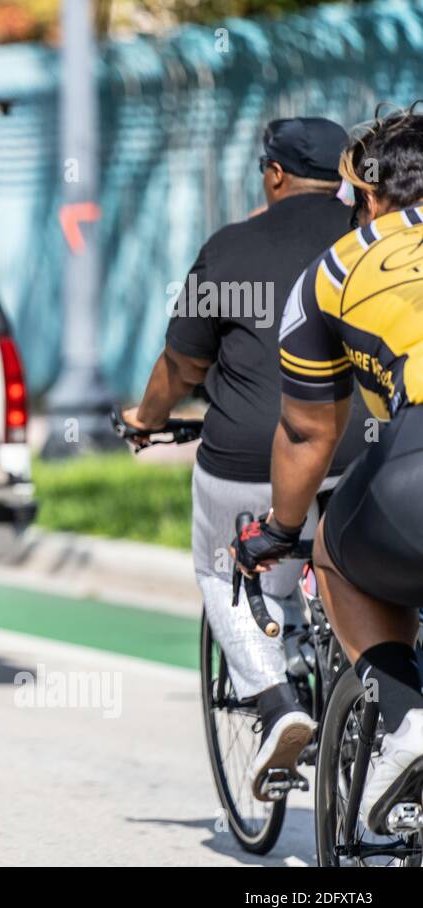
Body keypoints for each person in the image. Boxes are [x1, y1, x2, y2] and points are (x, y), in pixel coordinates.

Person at [122, 117, 371, 799]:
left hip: (250, 455)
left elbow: (183, 362)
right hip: (363, 450)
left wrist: (146, 421)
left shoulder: (228, 250)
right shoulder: (367, 242)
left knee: (218, 567)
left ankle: (276, 704)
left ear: (274, 173)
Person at [232, 106, 423, 834]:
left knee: (335, 553)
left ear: (370, 199)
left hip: (412, 475)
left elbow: (309, 431)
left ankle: (406, 721)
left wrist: (280, 530)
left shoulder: (339, 265)